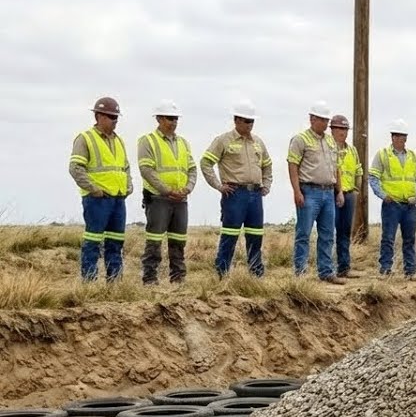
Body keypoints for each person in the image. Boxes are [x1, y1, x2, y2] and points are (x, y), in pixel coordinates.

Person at [201, 99, 272, 278]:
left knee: (255, 236)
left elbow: (267, 165)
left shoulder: (258, 142)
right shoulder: (223, 140)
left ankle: (256, 274)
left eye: (252, 121)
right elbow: (206, 163)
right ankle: (222, 274)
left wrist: (266, 184)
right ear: (237, 120)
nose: (250, 125)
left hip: (255, 194)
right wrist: (218, 186)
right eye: (247, 121)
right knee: (230, 236)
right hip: (234, 194)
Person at [69, 96, 132, 282]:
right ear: (98, 116)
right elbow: (75, 168)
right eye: (111, 117)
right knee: (93, 242)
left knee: (116, 243)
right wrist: (93, 189)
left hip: (118, 200)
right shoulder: (85, 139)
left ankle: (115, 283)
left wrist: (128, 186)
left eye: (116, 117)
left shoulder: (118, 141)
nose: (115, 121)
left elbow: (125, 167)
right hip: (97, 200)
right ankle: (89, 282)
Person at [137, 99, 196, 285]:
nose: (174, 122)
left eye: (176, 118)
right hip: (158, 199)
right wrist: (167, 190)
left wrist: (188, 188)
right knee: (154, 241)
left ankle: (178, 279)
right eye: (170, 118)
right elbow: (146, 170)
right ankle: (150, 279)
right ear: (159, 119)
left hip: (180, 200)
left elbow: (192, 169)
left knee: (178, 241)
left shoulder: (184, 143)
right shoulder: (148, 141)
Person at [287, 101, 341, 283]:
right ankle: (300, 272)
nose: (325, 124)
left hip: (328, 192)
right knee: (304, 233)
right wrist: (297, 191)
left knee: (327, 234)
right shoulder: (300, 140)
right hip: (309, 191)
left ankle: (326, 272)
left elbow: (336, 167)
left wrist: (338, 191)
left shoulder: (330, 141)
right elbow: (293, 165)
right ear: (312, 119)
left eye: (327, 120)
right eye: (322, 120)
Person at [369, 119, 416, 279]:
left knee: (410, 239)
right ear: (392, 137)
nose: (400, 139)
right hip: (391, 204)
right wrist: (382, 195)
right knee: (388, 238)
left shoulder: (413, 156)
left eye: (402, 136)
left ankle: (410, 271)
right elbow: (373, 177)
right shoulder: (383, 155)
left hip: (409, 205)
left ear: (406, 138)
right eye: (397, 135)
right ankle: (385, 269)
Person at [330, 113, 363, 278]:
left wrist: (357, 189)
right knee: (329, 231)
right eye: (339, 129)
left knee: (344, 232)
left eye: (345, 129)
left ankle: (344, 268)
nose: (343, 132)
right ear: (332, 130)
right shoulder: (329, 147)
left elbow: (358, 171)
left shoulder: (352, 150)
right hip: (331, 193)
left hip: (349, 194)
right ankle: (328, 269)